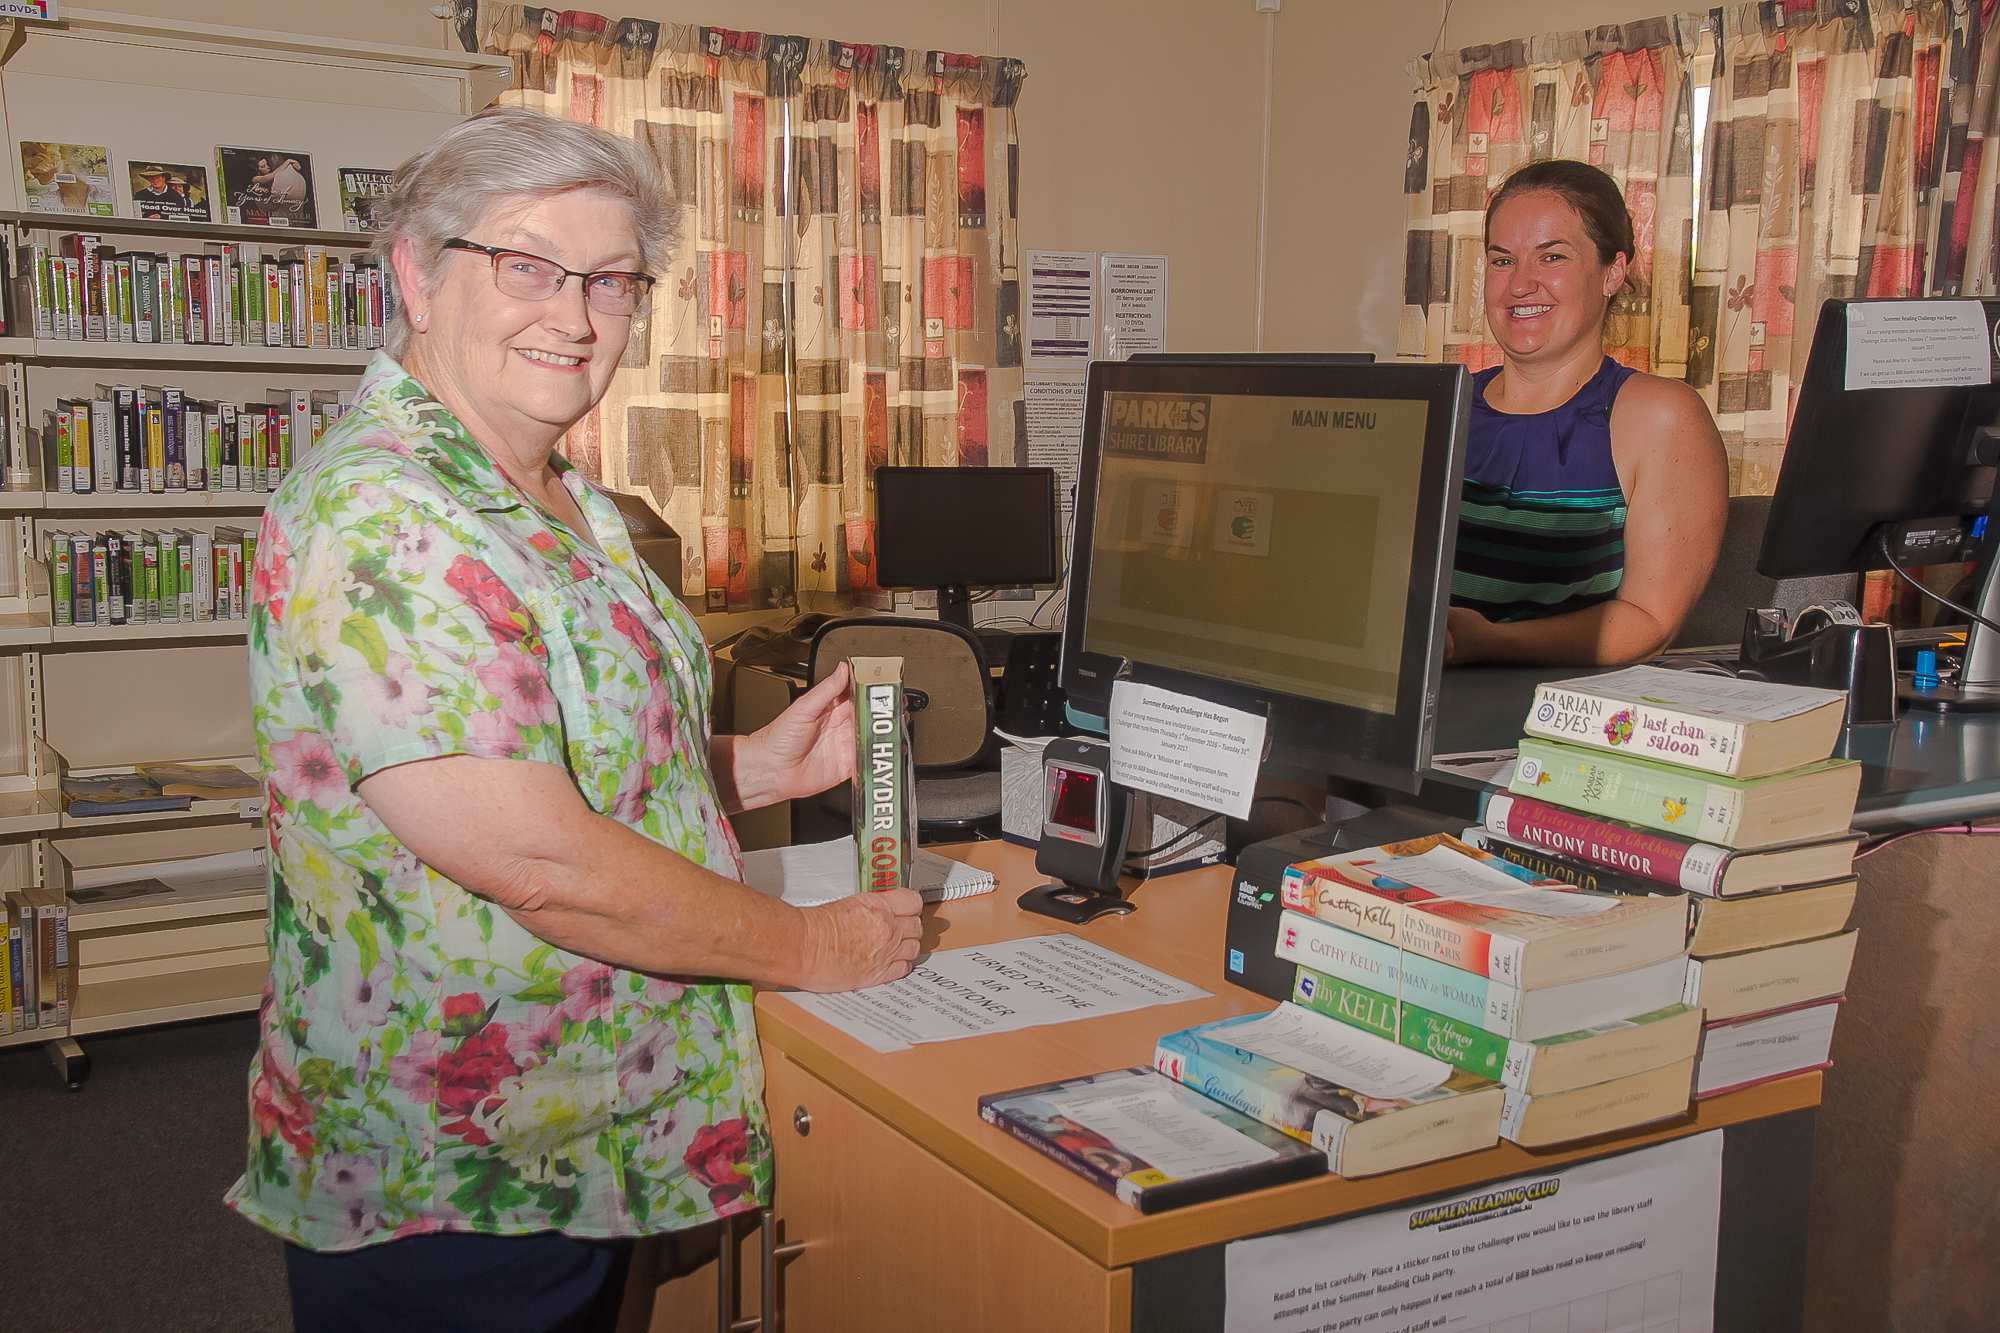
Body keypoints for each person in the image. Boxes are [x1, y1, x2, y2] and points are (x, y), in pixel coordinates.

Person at [224, 105, 924, 1331]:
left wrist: (742, 767)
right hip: (458, 1162)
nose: (575, 313)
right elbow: (536, 858)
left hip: (580, 1118)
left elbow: (556, 752)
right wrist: (813, 947)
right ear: (416, 274)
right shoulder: (391, 516)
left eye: (608, 279)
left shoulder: (549, 488)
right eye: (527, 265)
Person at [1446, 159, 1727, 666]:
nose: (1520, 285)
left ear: (1612, 272)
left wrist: (1485, 642)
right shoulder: (1445, 408)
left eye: (1551, 258)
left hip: (1565, 721)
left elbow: (1649, 622)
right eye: (1502, 261)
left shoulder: (1660, 417)